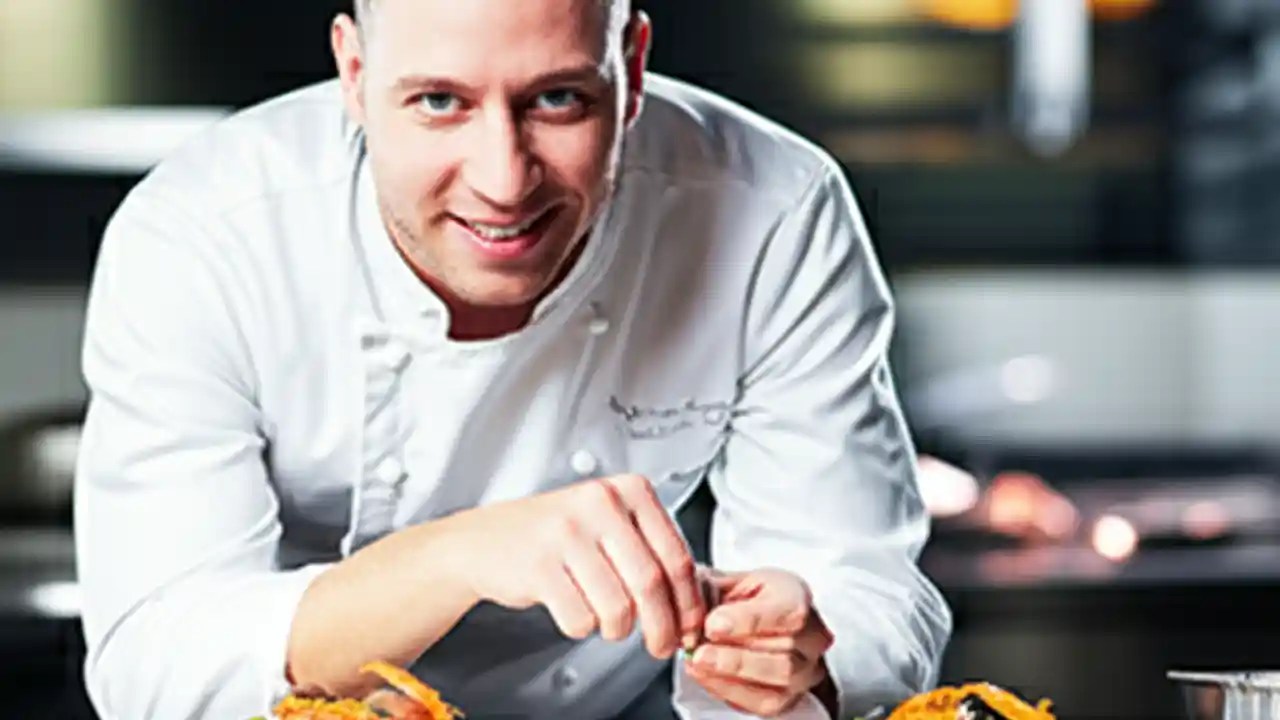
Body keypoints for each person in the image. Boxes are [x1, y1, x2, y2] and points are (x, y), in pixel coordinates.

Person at [73, 0, 952, 718]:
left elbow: (863, 581)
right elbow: (156, 657)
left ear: (633, 66)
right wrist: (460, 557)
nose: (503, 180)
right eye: (439, 102)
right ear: (354, 73)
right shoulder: (201, 234)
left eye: (558, 99)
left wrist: (797, 653)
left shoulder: (772, 211)